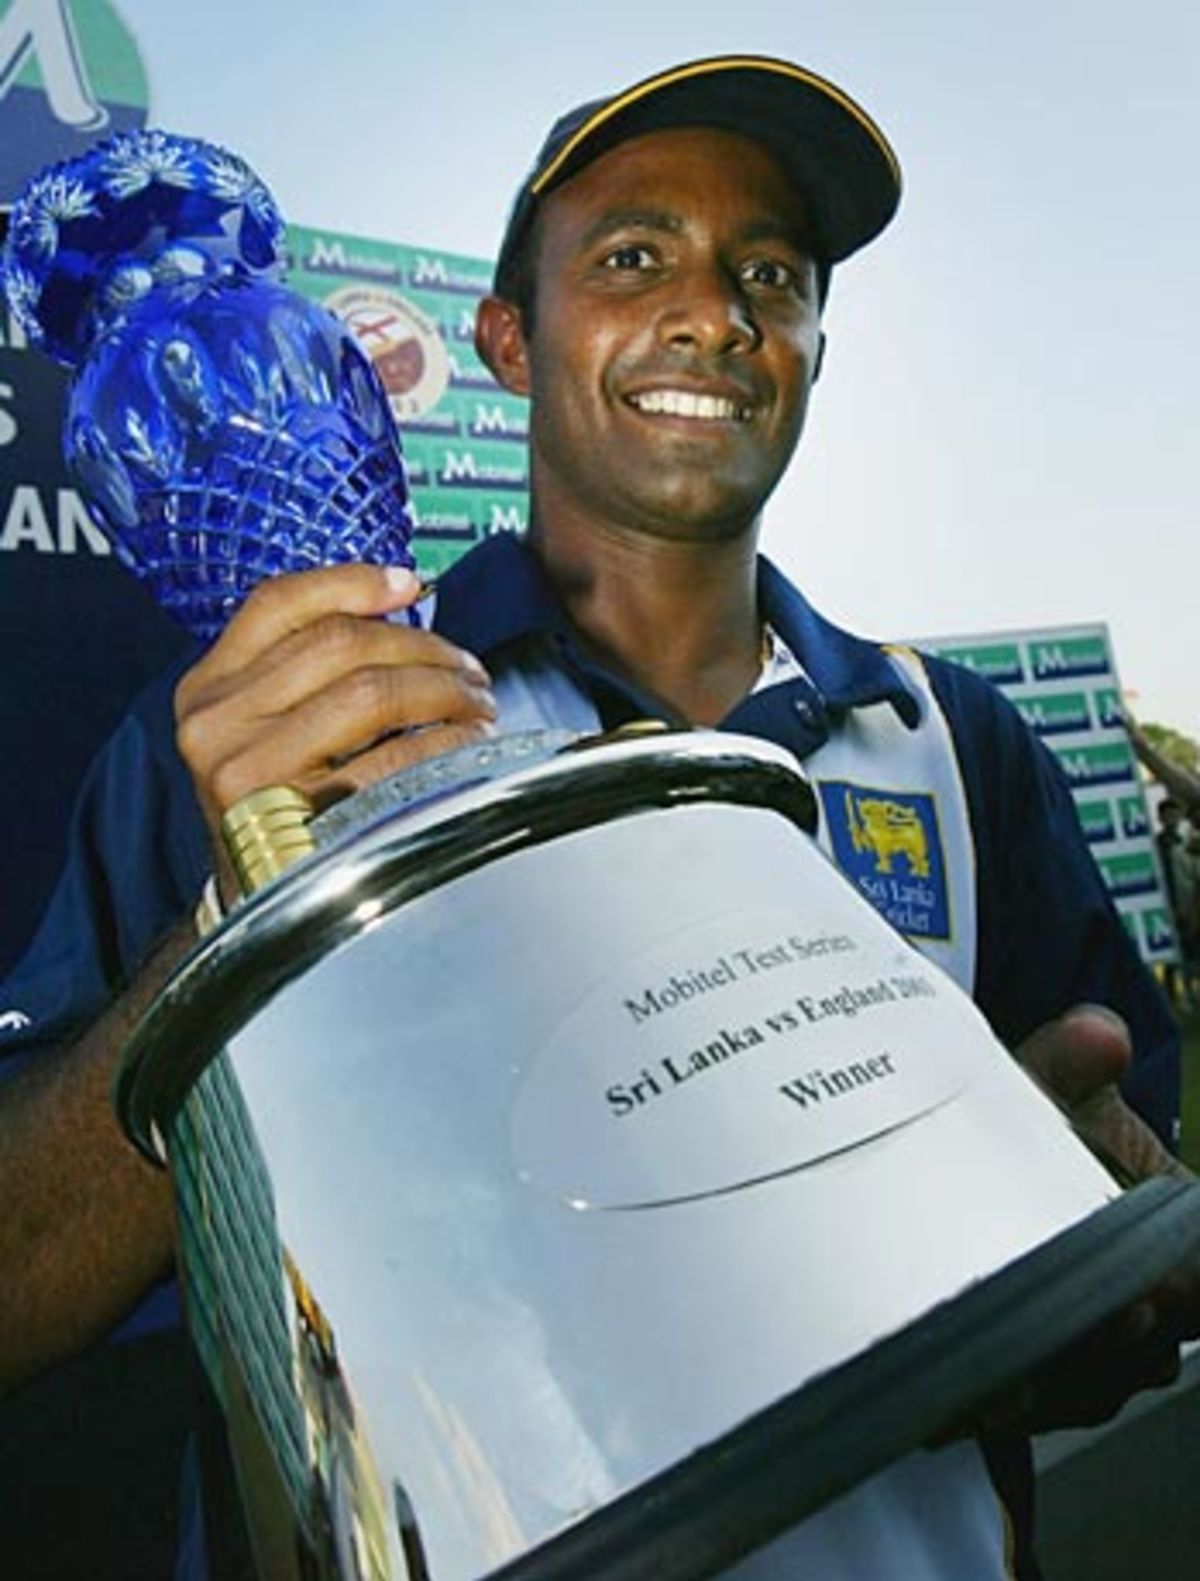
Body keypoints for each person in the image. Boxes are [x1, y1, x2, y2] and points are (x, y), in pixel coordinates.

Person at [0, 52, 1195, 1579]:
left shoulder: (960, 744)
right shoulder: (255, 745)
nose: (715, 311)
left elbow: (1144, 1207)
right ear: (506, 337)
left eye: (772, 271)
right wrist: (263, 912)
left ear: (815, 351)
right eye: (635, 256)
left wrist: (1084, 1269)